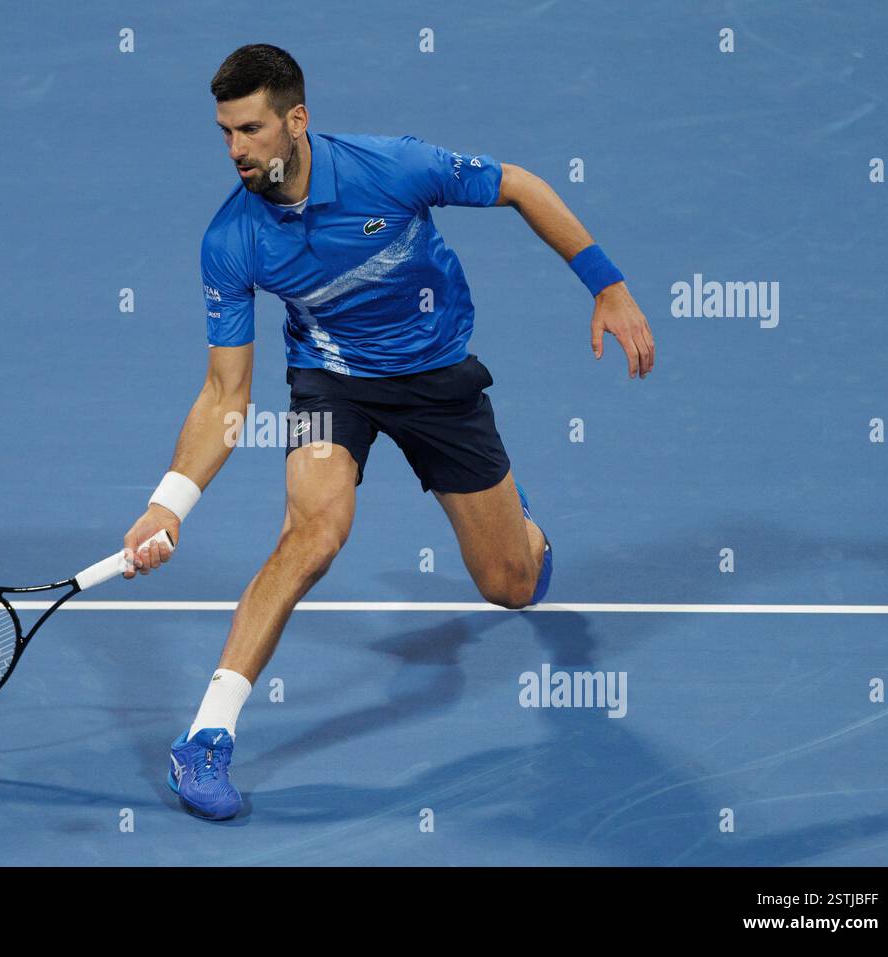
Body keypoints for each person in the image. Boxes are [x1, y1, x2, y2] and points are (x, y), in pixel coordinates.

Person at [121, 44, 655, 820]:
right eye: (225, 133)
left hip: (437, 375)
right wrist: (169, 503)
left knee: (510, 585)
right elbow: (224, 394)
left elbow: (520, 186)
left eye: (251, 129)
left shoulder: (392, 168)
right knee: (313, 533)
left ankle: (516, 521)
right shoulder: (231, 239)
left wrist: (606, 283)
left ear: (296, 122)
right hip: (331, 381)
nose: (236, 150)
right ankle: (205, 736)